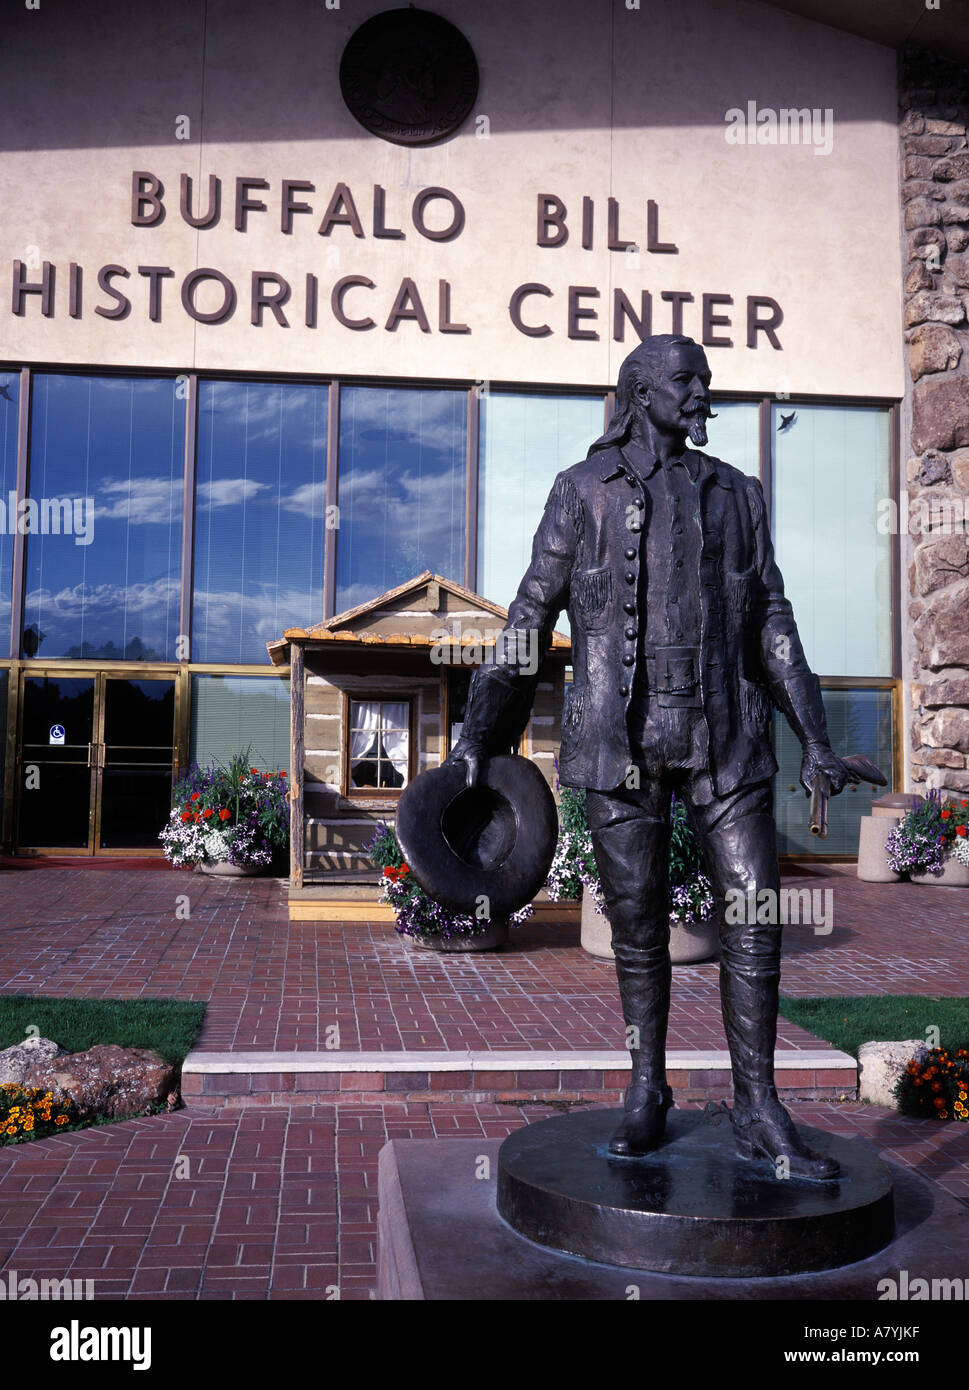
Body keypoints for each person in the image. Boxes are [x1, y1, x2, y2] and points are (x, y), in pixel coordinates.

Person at [446, 334, 861, 1179]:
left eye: (706, 379)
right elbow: (531, 617)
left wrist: (816, 737)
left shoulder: (737, 494)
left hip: (727, 741)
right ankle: (646, 1089)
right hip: (617, 746)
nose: (703, 393)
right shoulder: (579, 492)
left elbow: (771, 622)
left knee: (754, 917)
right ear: (639, 392)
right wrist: (480, 737)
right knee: (636, 930)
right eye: (686, 380)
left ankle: (757, 1106)